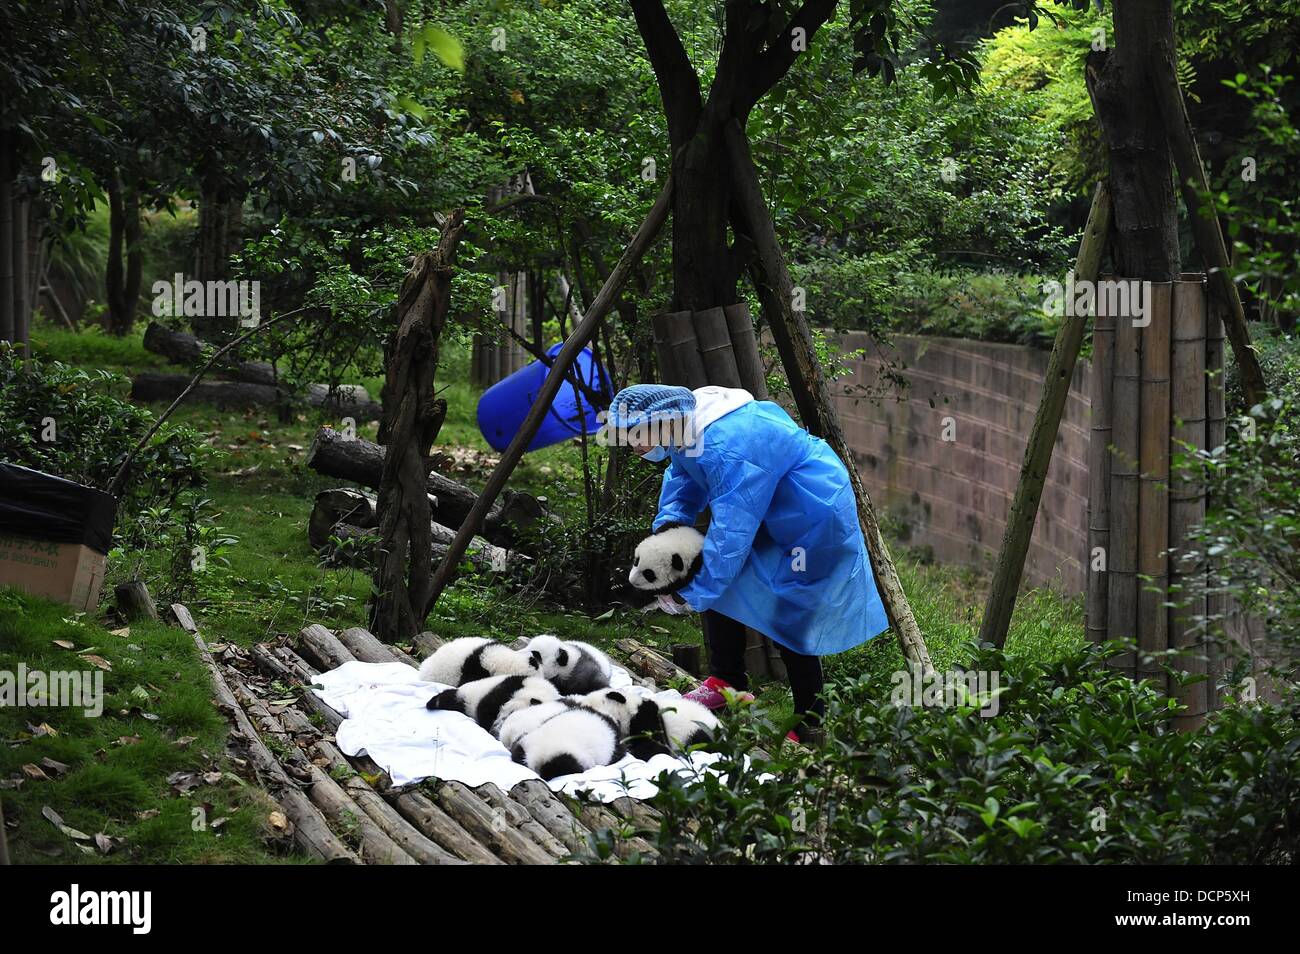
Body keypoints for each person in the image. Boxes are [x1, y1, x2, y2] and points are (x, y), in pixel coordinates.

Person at [606, 382, 890, 742]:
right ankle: (727, 683)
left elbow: (730, 536)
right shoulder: (684, 430)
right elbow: (682, 480)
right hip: (768, 507)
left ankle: (810, 719)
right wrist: (667, 535)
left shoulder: (726, 445)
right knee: (726, 581)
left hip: (812, 512)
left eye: (636, 435)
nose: (633, 446)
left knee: (792, 607)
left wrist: (691, 594)